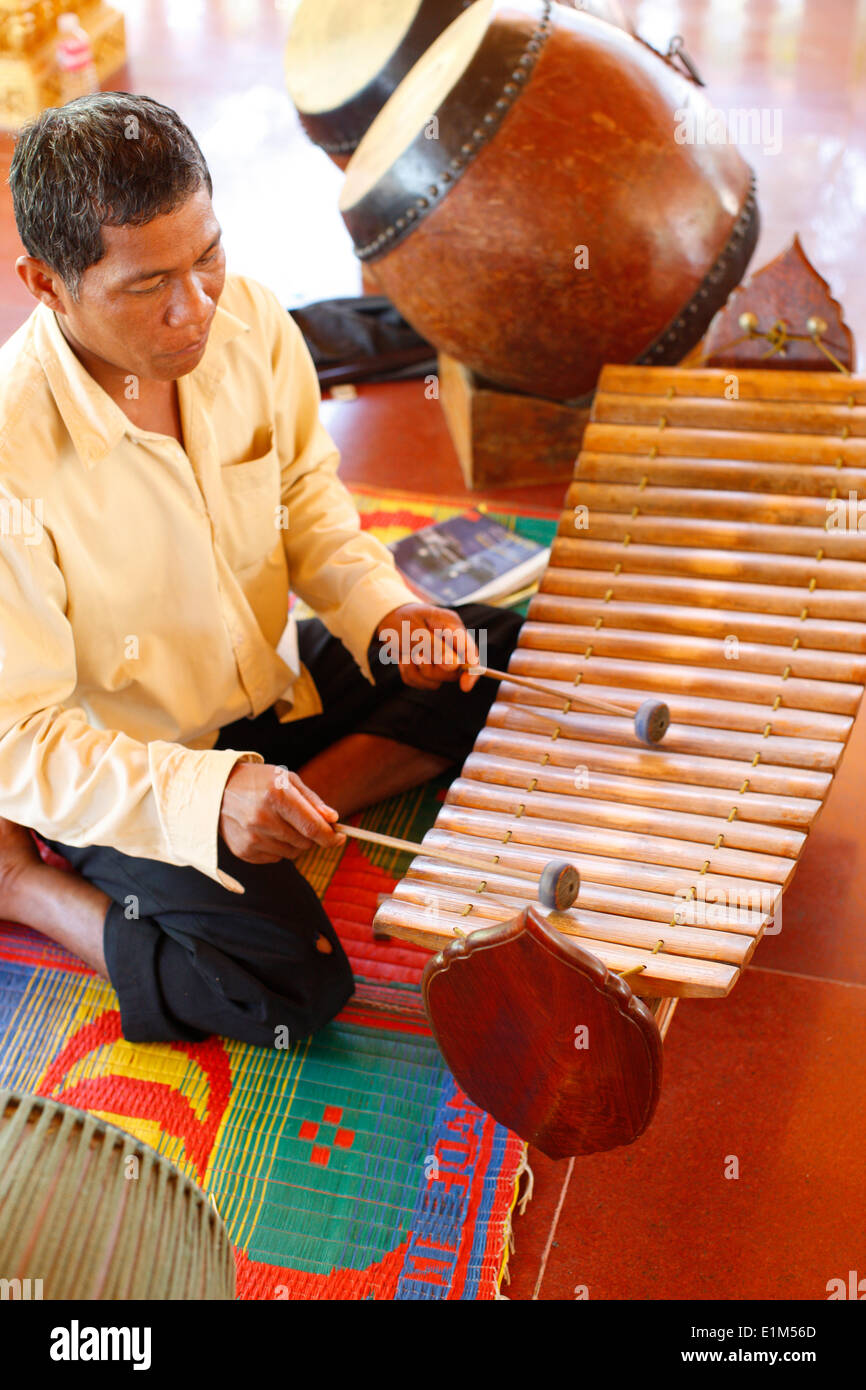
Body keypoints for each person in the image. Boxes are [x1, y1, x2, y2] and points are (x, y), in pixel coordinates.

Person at [0, 93, 523, 1045]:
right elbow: (21, 740)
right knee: (284, 984)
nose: (196, 309)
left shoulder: (248, 324)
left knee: (495, 650)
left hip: (265, 695)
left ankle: (295, 801)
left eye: (207, 256)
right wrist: (207, 797)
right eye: (147, 283)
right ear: (46, 283)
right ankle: (24, 883)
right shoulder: (9, 455)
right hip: (133, 775)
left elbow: (310, 510)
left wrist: (382, 611)